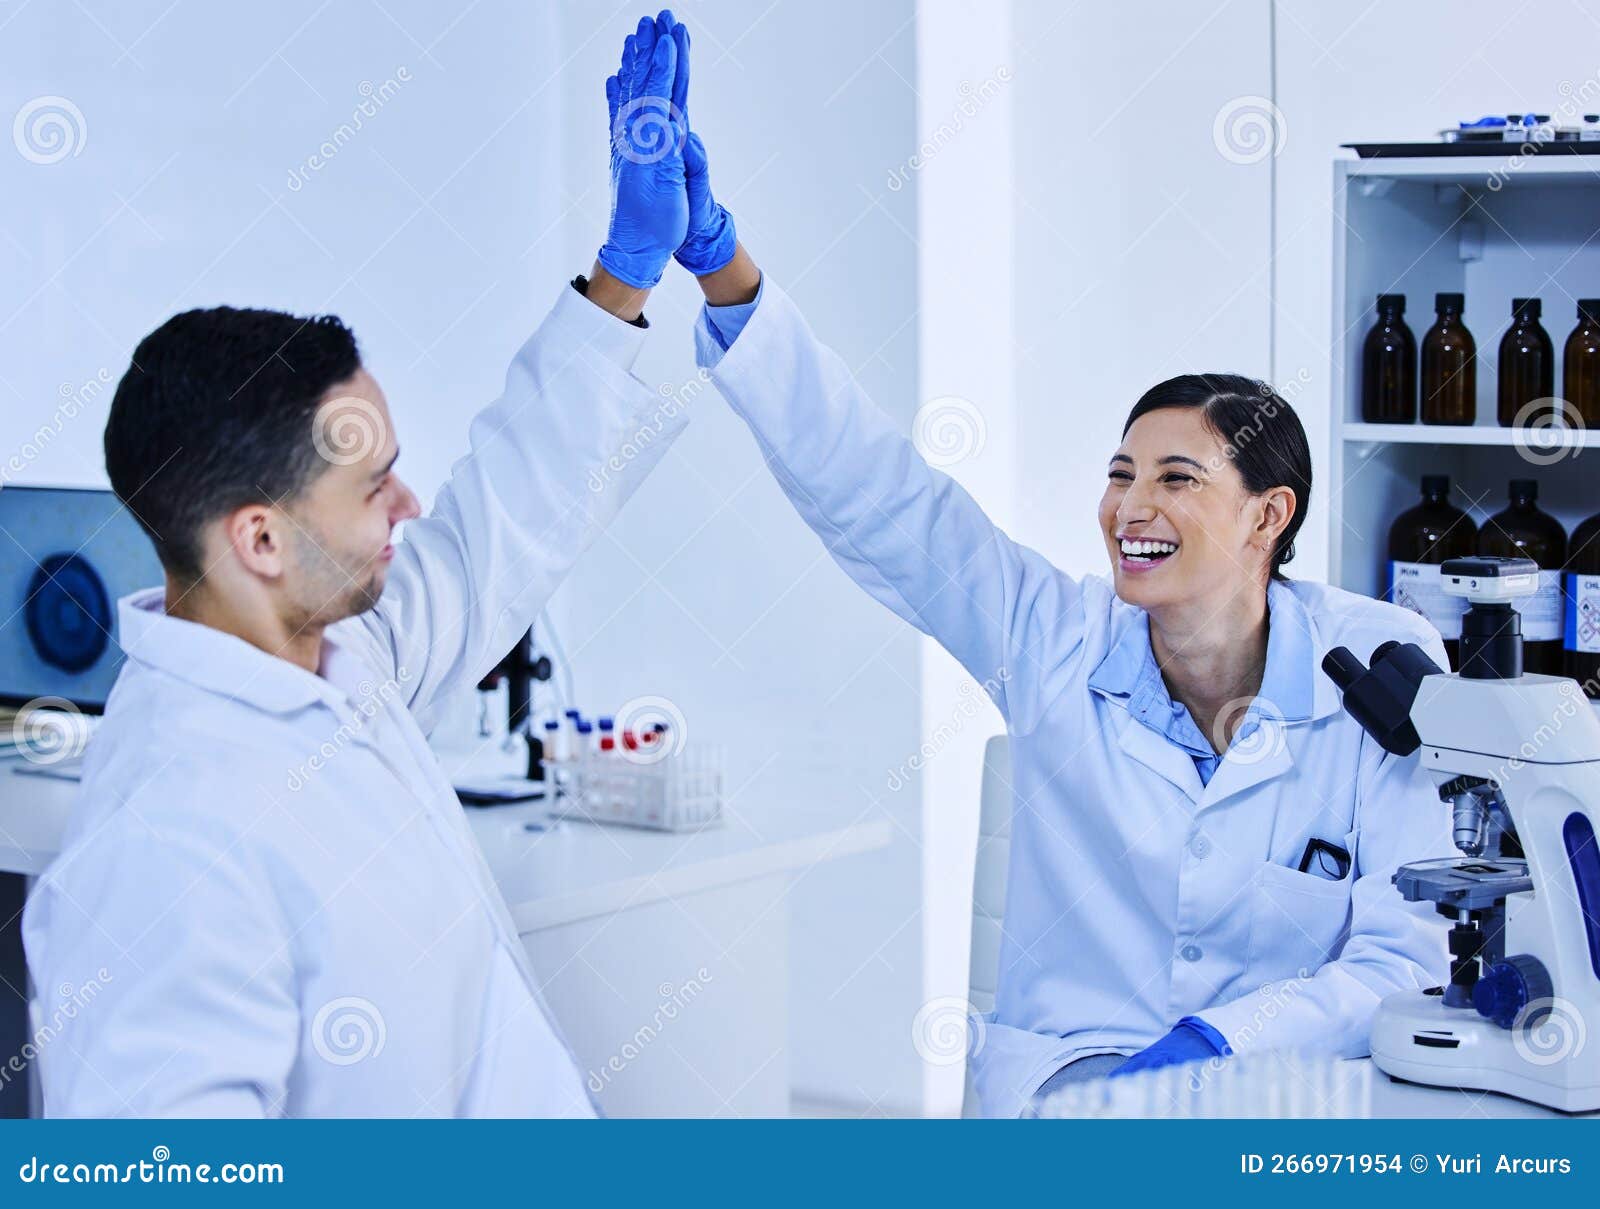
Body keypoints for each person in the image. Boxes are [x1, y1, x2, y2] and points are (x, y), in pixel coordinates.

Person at [641, 18, 1454, 1117]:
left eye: (1176, 478)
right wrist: (725, 274)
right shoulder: (1054, 634)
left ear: (1269, 515)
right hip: (1071, 1090)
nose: (1130, 507)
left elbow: (1405, 958)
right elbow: (883, 500)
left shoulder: (1381, 670)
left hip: (1280, 1101)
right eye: (1120, 475)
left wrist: (1221, 1038)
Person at [23, 10, 699, 1118]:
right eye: (370, 482)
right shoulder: (164, 841)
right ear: (259, 539)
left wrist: (622, 273)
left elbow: (499, 526)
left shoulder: (334, 659)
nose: (410, 504)